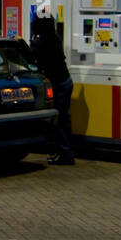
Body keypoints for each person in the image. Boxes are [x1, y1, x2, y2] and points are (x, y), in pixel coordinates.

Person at [28, 11, 75, 165]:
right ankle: (63, 152)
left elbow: (29, 55)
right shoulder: (54, 38)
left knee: (59, 120)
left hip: (60, 84)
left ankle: (64, 154)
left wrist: (21, 42)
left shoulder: (42, 42)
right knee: (63, 119)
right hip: (65, 81)